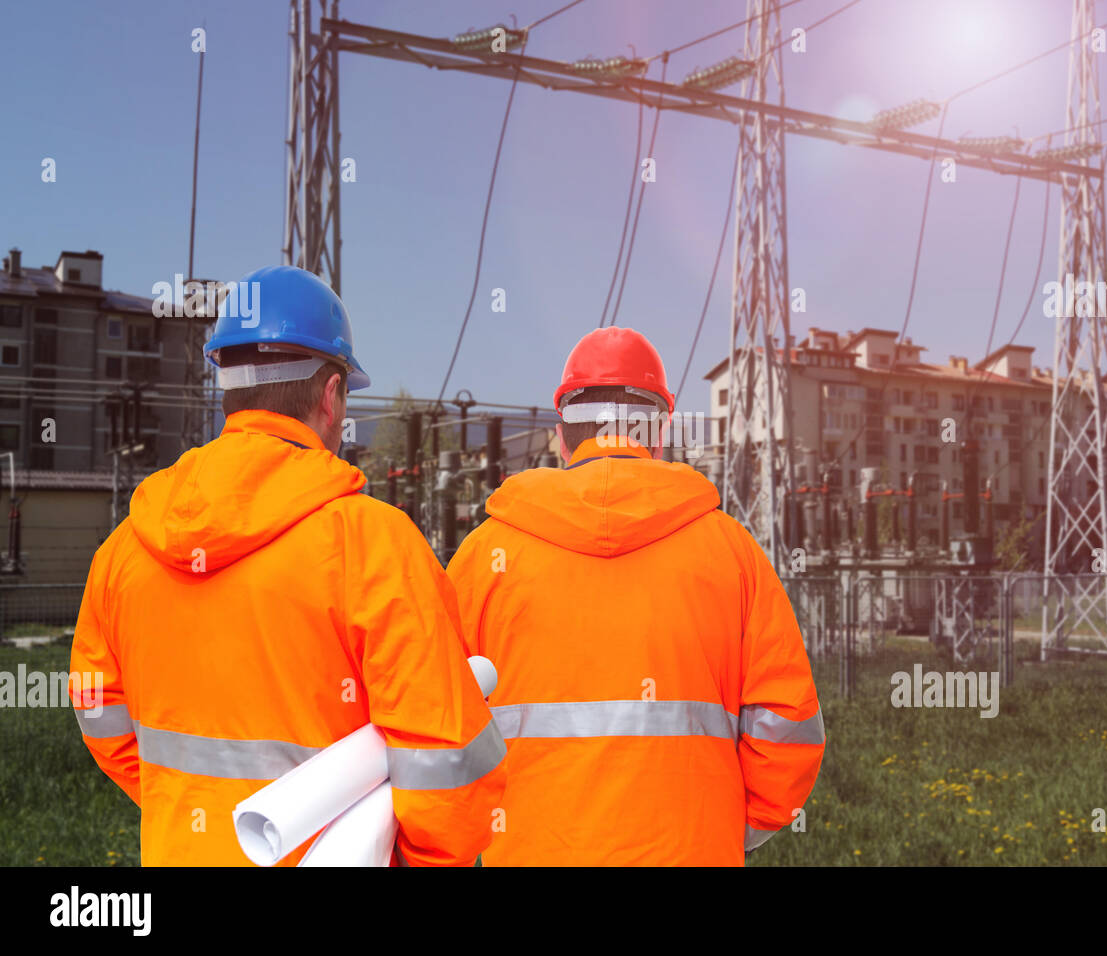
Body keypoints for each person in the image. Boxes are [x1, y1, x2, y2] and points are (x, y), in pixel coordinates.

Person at [69, 265, 505, 866]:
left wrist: (190, 811)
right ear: (330, 396)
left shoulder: (124, 550)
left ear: (230, 386)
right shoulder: (374, 545)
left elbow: (98, 710)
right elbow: (446, 760)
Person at [447, 326, 824, 865]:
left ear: (562, 433)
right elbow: (787, 727)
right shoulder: (731, 551)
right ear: (660, 429)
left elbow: (436, 729)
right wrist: (727, 827)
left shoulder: (486, 556)